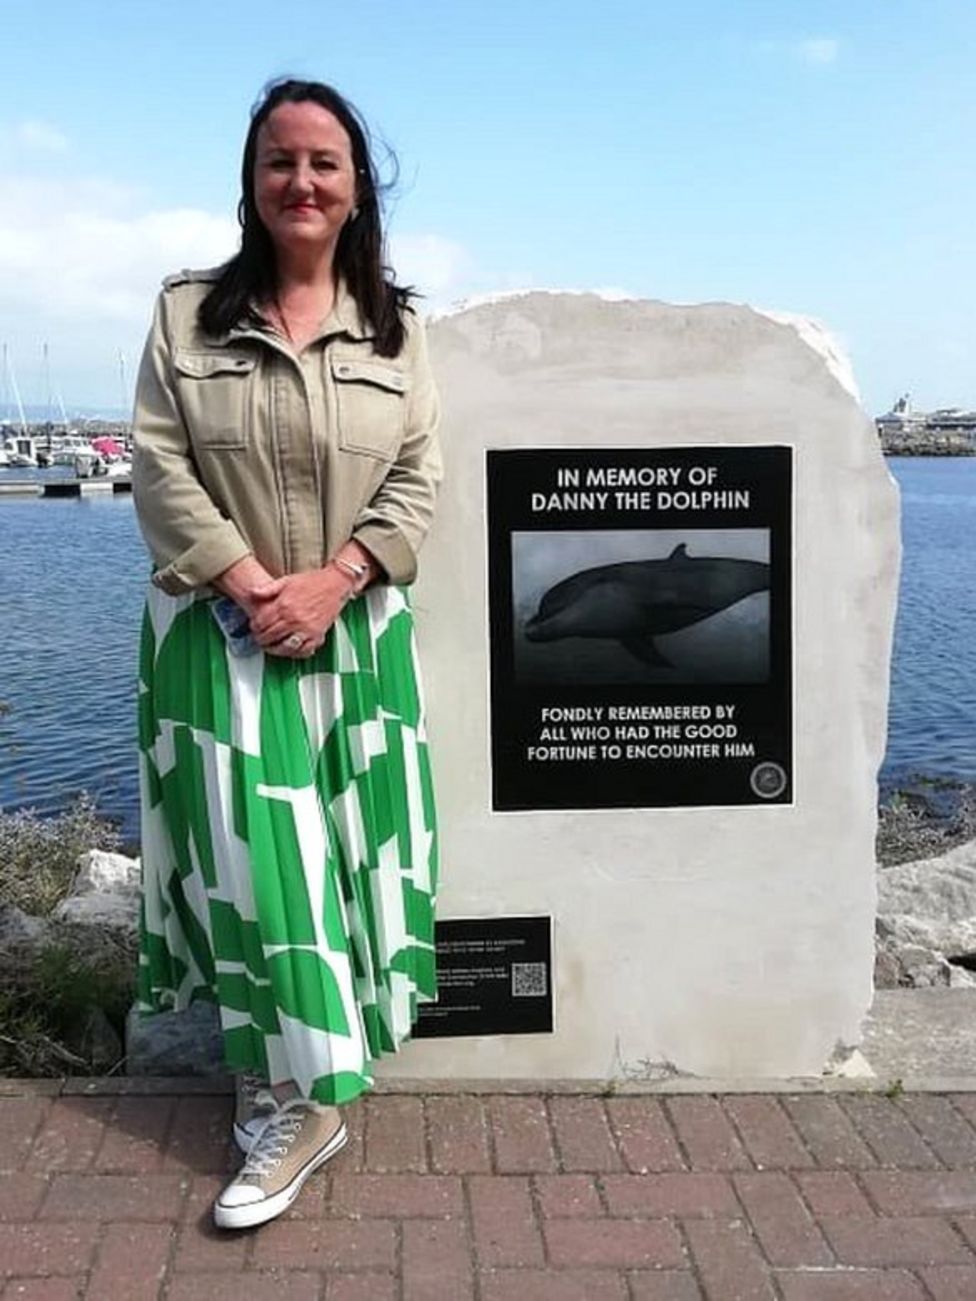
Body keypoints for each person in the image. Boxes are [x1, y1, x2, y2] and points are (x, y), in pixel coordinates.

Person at [131, 77, 441, 1230]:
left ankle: (290, 1077)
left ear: (358, 188)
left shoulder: (401, 330)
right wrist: (256, 586)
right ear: (251, 184)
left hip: (354, 633)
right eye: (279, 161)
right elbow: (160, 465)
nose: (300, 181)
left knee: (349, 857)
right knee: (258, 863)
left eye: (323, 162)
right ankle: (303, 1102)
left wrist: (335, 578)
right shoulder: (186, 315)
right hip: (221, 633)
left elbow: (418, 478)